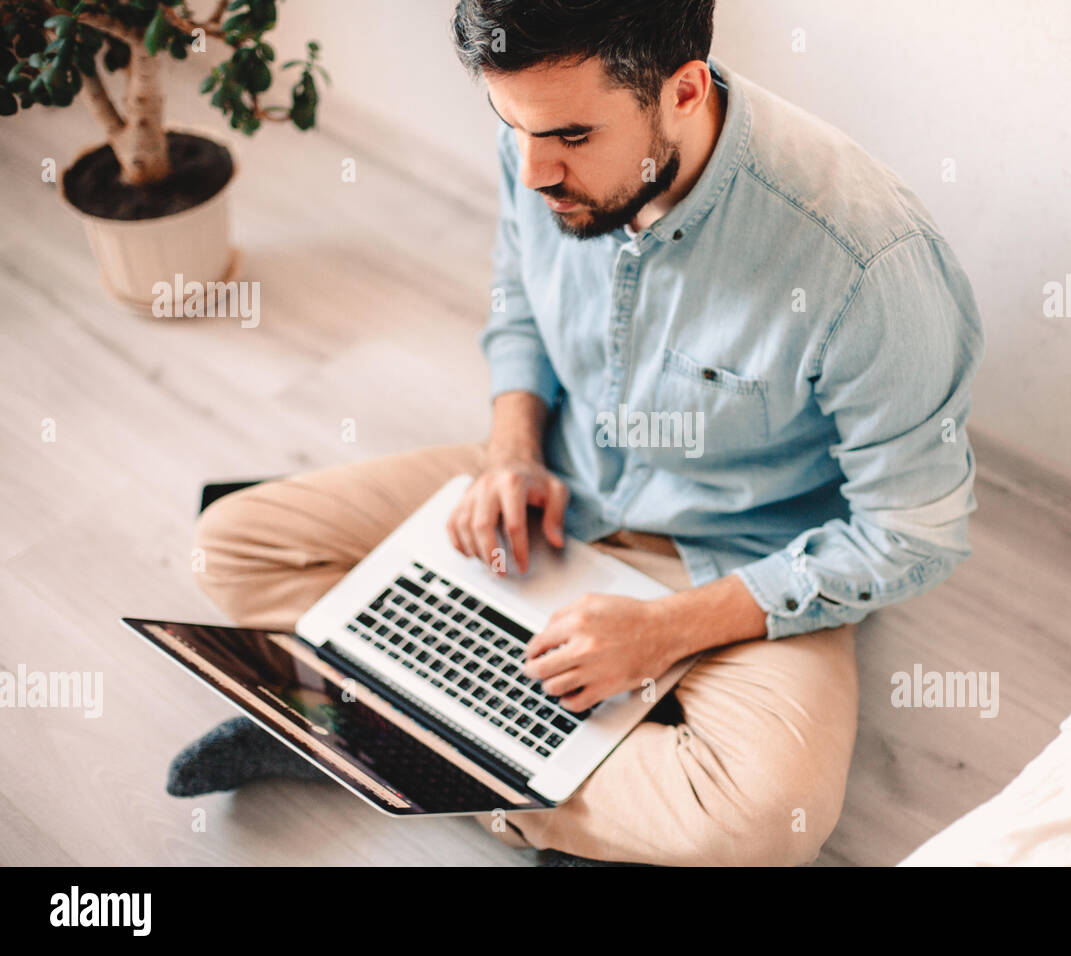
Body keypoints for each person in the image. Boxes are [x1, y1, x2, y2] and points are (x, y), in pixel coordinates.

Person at [172, 0, 986, 866]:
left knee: (762, 817)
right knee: (228, 547)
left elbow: (911, 535)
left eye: (569, 137)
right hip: (566, 485)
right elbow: (519, 299)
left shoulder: (870, 264)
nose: (530, 171)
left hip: (739, 555)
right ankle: (534, 785)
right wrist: (512, 451)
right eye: (510, 126)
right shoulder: (540, 134)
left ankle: (349, 725)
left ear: (683, 90)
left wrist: (667, 629)